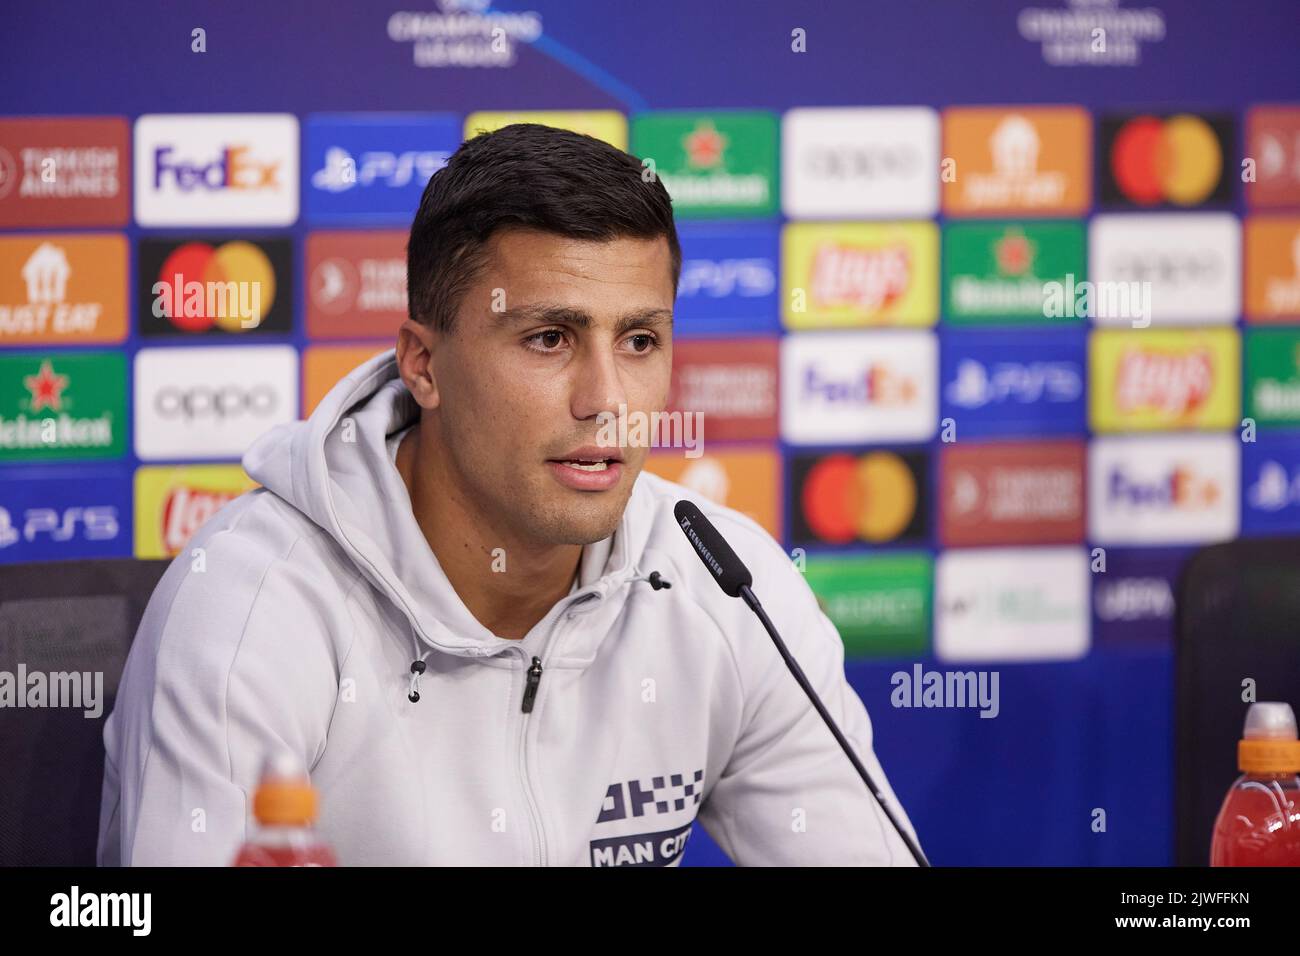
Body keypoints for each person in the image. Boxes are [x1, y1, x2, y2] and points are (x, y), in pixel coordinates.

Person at [97, 123, 921, 866]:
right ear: (424, 364)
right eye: (549, 338)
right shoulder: (251, 610)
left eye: (639, 340)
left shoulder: (726, 586)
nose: (607, 400)